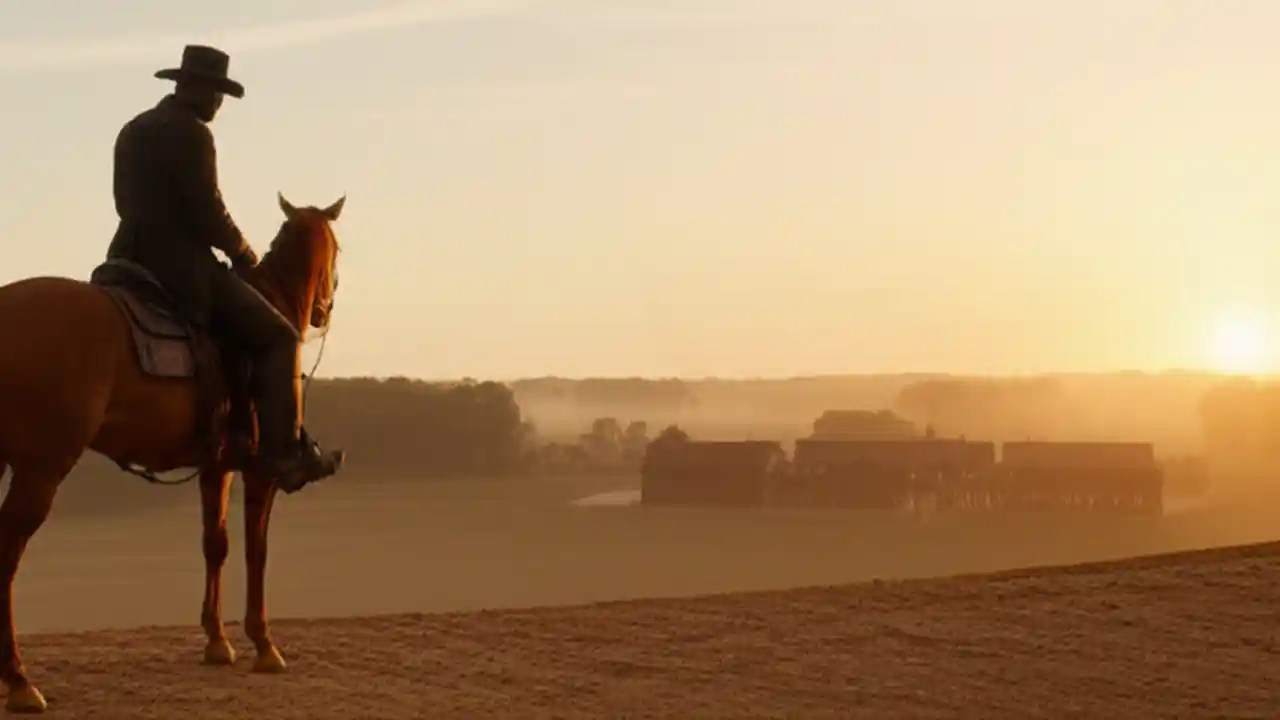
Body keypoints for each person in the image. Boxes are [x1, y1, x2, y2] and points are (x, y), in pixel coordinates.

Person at [106, 44, 341, 492]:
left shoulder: (133, 128)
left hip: (124, 258)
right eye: (215, 93)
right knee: (278, 336)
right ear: (192, 87)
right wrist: (243, 252)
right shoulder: (193, 134)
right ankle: (282, 454)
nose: (218, 103)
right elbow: (208, 209)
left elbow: (122, 201)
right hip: (180, 265)